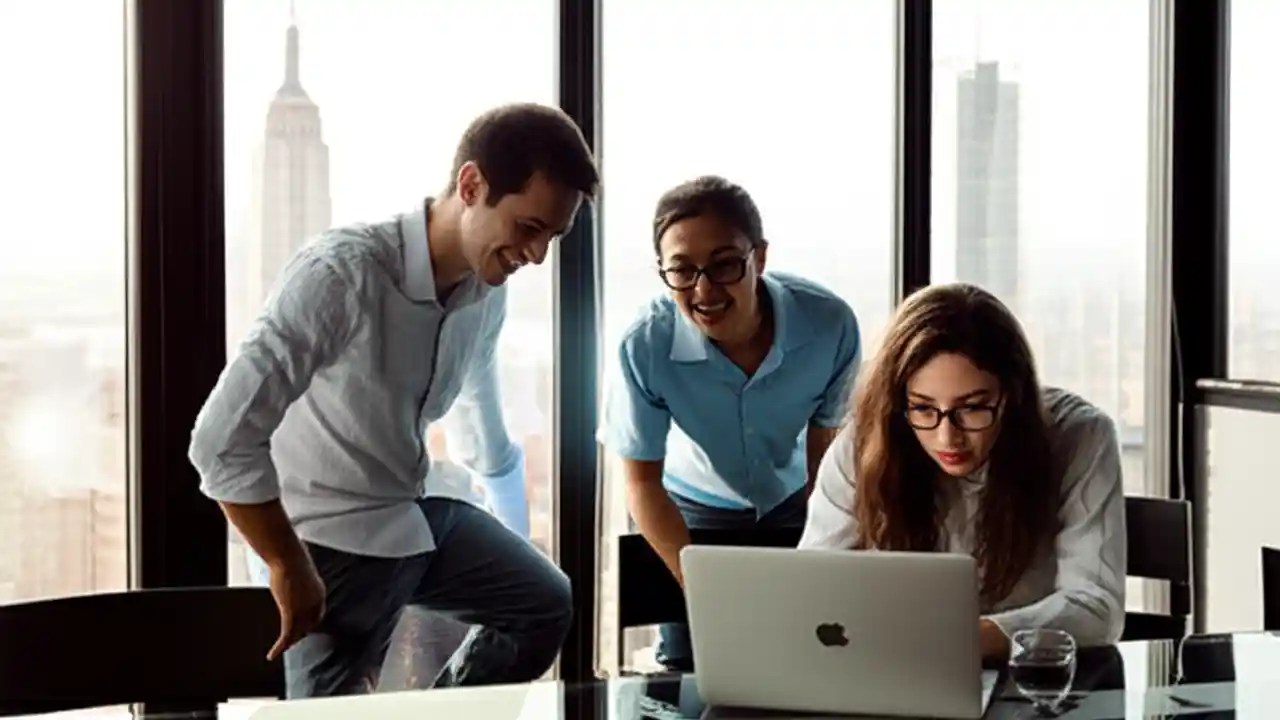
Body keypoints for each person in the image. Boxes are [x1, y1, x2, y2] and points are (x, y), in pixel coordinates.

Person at [189, 102, 598, 698]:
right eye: (528, 228)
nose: (536, 256)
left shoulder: (486, 291)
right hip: (327, 544)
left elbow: (476, 425)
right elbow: (219, 442)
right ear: (471, 184)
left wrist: (510, 505)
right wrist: (285, 563)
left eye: (552, 237)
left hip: (413, 516)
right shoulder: (340, 275)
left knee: (546, 602)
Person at [599, 175, 861, 670]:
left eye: (724, 265)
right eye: (682, 271)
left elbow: (826, 453)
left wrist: (820, 559)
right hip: (690, 513)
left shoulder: (829, 324)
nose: (703, 289)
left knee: (808, 658)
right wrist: (700, 584)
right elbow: (640, 483)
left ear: (759, 258)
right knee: (689, 672)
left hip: (794, 501)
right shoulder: (644, 345)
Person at [799, 283, 1126, 660]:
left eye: (972, 408)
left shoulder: (1079, 435)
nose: (947, 437)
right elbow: (814, 588)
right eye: (923, 408)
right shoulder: (869, 442)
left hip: (1031, 679)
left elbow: (1096, 608)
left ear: (1013, 396)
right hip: (894, 669)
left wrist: (959, 640)